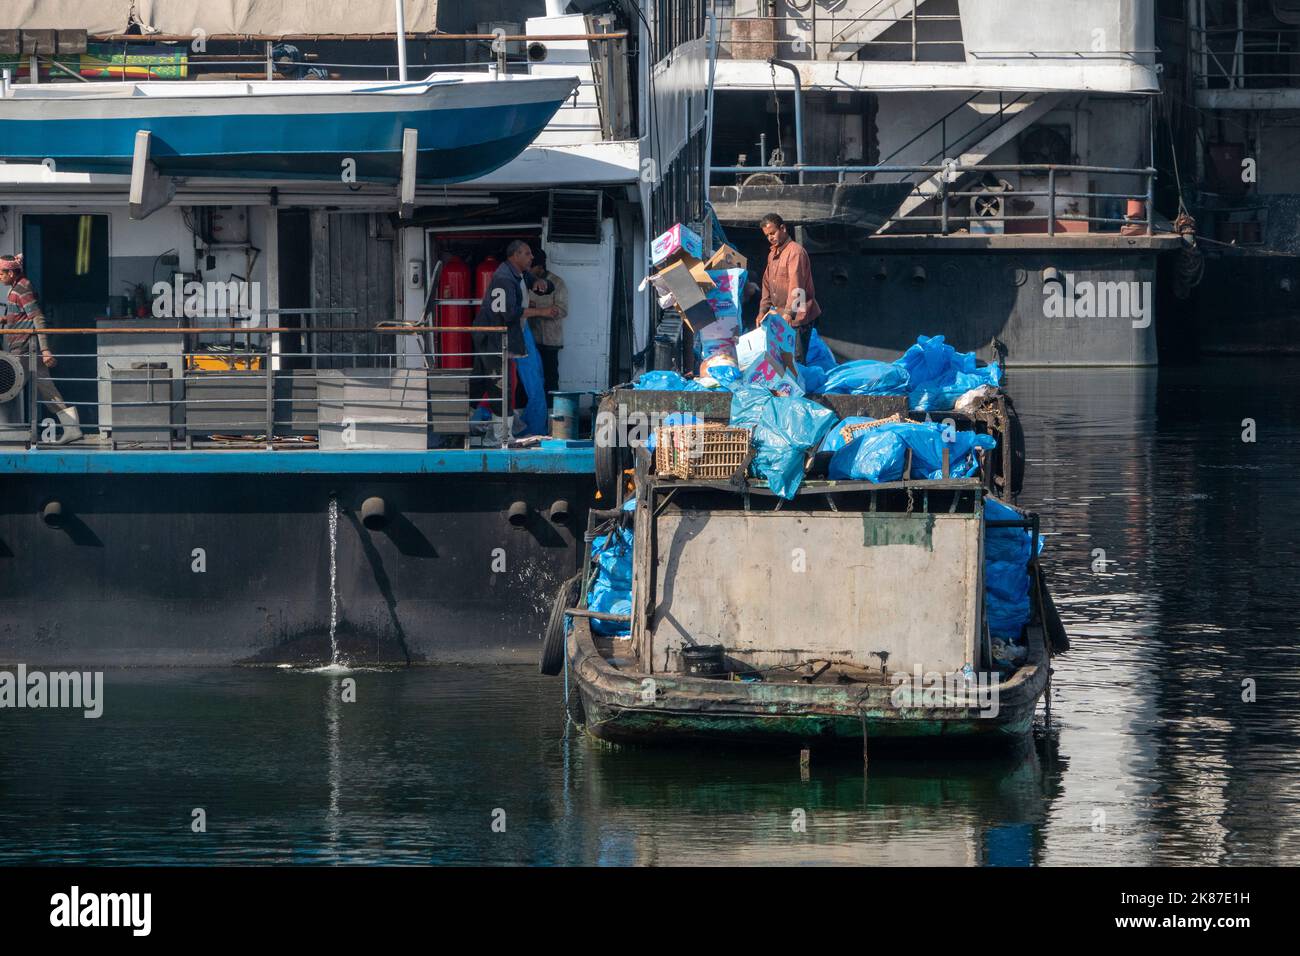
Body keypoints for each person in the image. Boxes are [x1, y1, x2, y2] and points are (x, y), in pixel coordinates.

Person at [470, 240, 559, 430]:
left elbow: (534, 282)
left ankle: (491, 427)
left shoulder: (519, 274)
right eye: (527, 254)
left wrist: (540, 283)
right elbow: (508, 312)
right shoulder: (504, 278)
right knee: (497, 383)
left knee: (491, 381)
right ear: (515, 255)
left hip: (506, 334)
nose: (531, 257)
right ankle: (498, 433)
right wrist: (542, 312)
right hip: (492, 336)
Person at [0, 253, 81, 444]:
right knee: (46, 388)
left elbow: (37, 318)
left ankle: (71, 428)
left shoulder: (22, 289)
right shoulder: (16, 288)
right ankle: (72, 428)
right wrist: (5, 320)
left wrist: (45, 350)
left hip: (26, 349)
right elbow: (22, 317)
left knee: (5, 385)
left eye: (1, 273)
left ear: (11, 273)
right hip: (24, 348)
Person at [756, 212, 821, 364]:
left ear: (783, 228)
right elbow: (767, 284)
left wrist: (788, 314)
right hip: (781, 315)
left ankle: (798, 387)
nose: (770, 238)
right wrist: (762, 311)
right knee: (782, 359)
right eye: (767, 235)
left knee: (796, 360)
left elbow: (797, 286)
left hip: (798, 317)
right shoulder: (772, 254)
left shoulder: (795, 252)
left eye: (773, 233)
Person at [525, 249, 568, 396]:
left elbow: (562, 310)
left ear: (540, 267)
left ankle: (551, 414)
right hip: (531, 340)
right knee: (530, 378)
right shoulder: (525, 282)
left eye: (532, 267)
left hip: (551, 341)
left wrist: (537, 309)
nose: (529, 271)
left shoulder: (557, 283)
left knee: (550, 379)